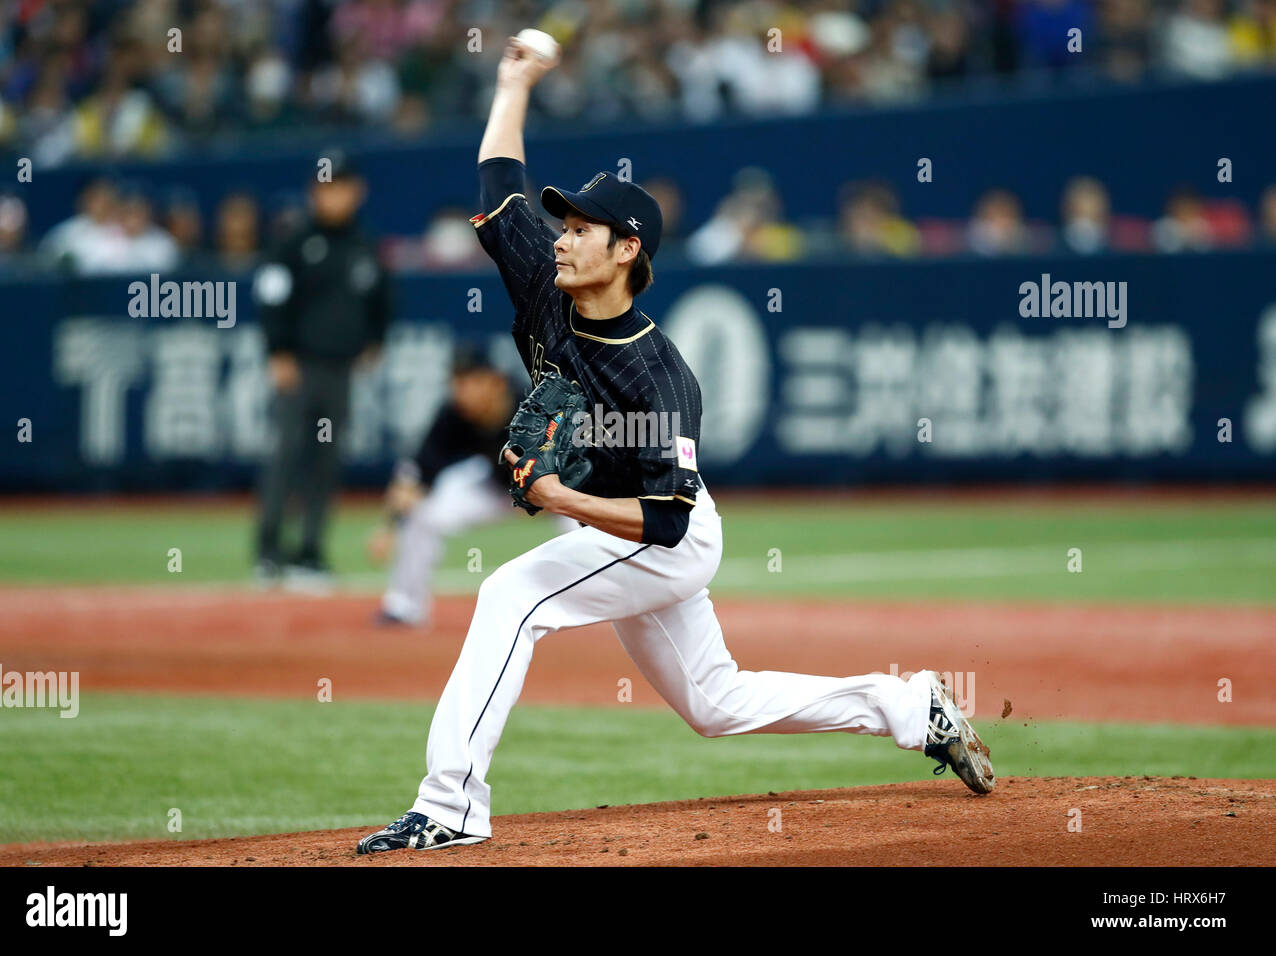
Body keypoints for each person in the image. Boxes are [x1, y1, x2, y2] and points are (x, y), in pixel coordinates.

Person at [355, 36, 994, 855]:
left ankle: (449, 806)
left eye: (582, 227)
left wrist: (557, 499)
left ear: (626, 251)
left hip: (667, 533)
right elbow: (496, 184)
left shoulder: (658, 378)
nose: (561, 237)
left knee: (510, 599)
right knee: (714, 704)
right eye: (564, 223)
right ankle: (907, 706)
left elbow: (663, 521)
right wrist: (514, 81)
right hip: (621, 524)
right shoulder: (546, 288)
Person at [253, 149, 391, 591]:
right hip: (299, 368)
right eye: (326, 187)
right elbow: (271, 297)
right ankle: (269, 553)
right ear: (314, 192)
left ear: (359, 192)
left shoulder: (365, 246)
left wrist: (375, 342)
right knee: (285, 457)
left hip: (340, 372)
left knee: (325, 464)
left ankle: (310, 554)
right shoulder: (293, 242)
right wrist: (278, 352)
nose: (334, 196)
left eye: (342, 187)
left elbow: (383, 301)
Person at [369, 347, 577, 628]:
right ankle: (404, 606)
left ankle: (605, 602)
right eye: (457, 382)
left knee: (586, 529)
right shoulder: (454, 413)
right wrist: (389, 526)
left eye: (469, 381)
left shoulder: (536, 404)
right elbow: (416, 474)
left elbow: (576, 459)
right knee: (425, 512)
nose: (461, 391)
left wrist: (547, 498)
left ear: (496, 382)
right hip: (496, 487)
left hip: (560, 490)